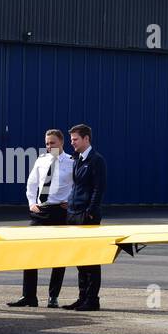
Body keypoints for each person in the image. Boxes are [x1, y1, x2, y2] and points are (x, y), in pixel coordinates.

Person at [8, 129, 74, 308]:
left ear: (61, 142)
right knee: (29, 251)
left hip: (60, 212)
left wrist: (70, 201)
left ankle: (53, 297)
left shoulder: (71, 162)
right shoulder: (41, 160)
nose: (49, 146)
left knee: (58, 256)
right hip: (40, 210)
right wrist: (31, 203)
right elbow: (32, 183)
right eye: (47, 143)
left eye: (52, 142)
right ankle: (29, 296)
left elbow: (78, 185)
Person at [63, 123, 106, 311]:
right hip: (73, 213)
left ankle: (92, 299)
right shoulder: (77, 159)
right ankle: (82, 297)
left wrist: (89, 211)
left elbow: (98, 189)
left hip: (86, 215)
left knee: (91, 258)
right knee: (79, 259)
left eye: (75, 139)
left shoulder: (96, 160)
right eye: (71, 139)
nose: (72, 143)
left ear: (86, 139)